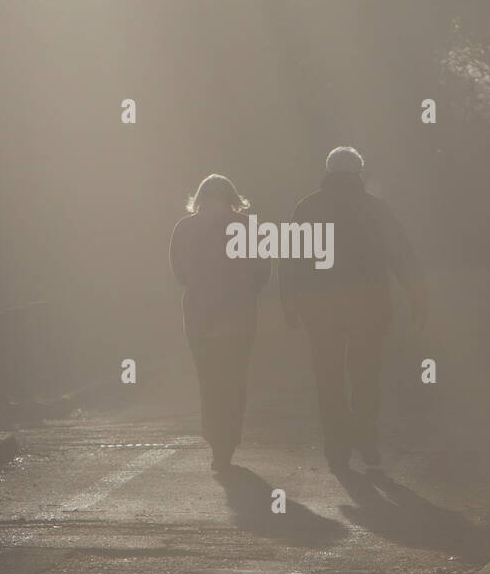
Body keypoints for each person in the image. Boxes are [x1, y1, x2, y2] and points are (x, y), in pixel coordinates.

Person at [279, 146, 427, 475]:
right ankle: (367, 441)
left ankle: (337, 447)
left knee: (328, 376)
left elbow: (291, 259)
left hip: (320, 306)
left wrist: (288, 301)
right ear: (359, 172)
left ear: (329, 172)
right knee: (366, 374)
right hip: (369, 304)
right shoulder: (376, 209)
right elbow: (401, 254)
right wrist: (417, 296)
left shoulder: (308, 207)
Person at [170, 174, 270, 471]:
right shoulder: (249, 228)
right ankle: (229, 440)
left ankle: (215, 442)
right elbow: (263, 272)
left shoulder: (184, 227)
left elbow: (178, 274)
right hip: (239, 315)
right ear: (232, 198)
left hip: (200, 316)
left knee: (208, 379)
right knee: (235, 378)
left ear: (200, 197)